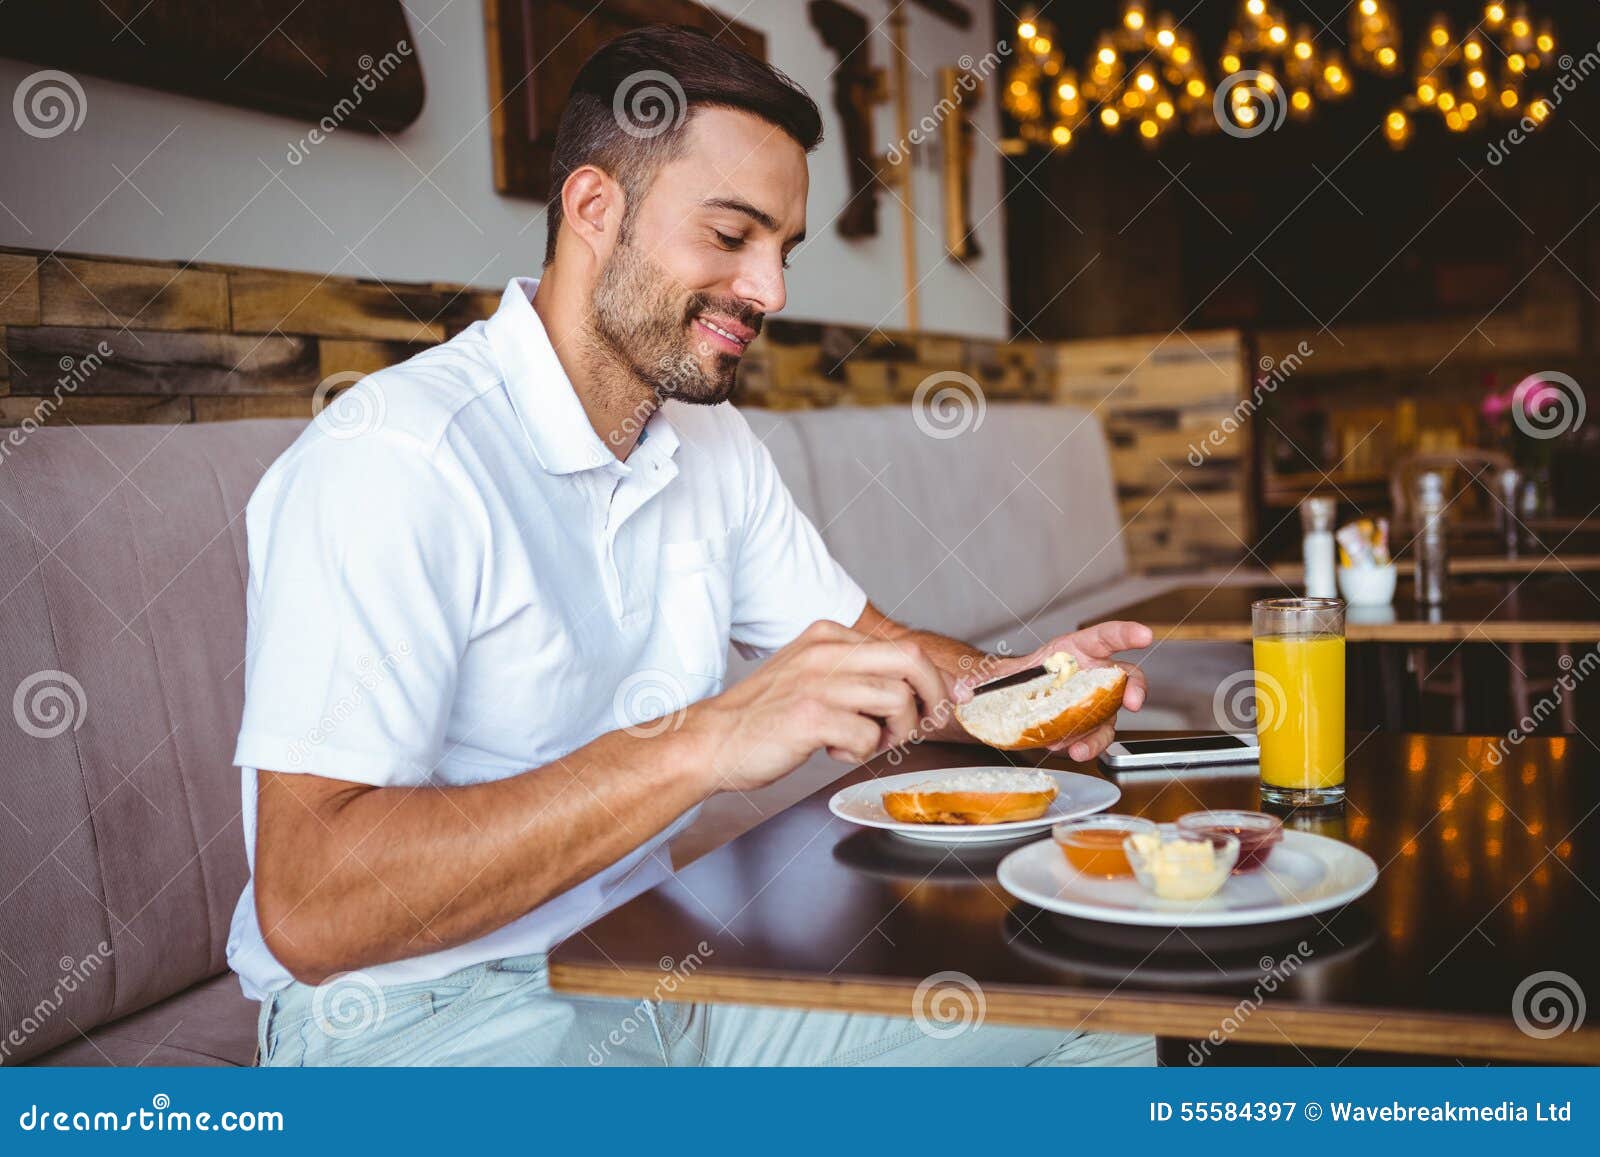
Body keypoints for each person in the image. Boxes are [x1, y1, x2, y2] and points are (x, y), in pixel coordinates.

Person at [233, 24, 1155, 1067]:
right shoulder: (396, 458)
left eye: (782, 250)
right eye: (731, 236)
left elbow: (871, 651)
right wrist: (701, 741)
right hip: (423, 1019)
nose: (771, 291)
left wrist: (1017, 688)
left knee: (1091, 1019)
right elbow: (310, 908)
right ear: (594, 208)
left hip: (653, 964)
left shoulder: (708, 440)